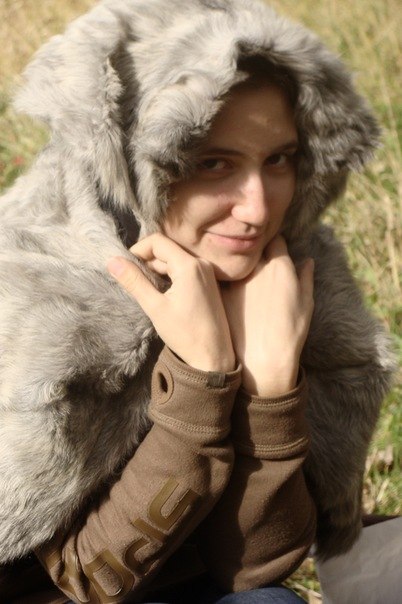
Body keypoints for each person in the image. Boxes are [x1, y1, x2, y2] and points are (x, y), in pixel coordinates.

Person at [0, 0, 396, 602]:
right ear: (127, 164)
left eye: (278, 159)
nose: (257, 209)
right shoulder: (33, 296)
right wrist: (201, 378)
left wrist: (270, 388)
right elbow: (87, 580)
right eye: (213, 163)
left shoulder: (284, 279)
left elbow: (256, 568)